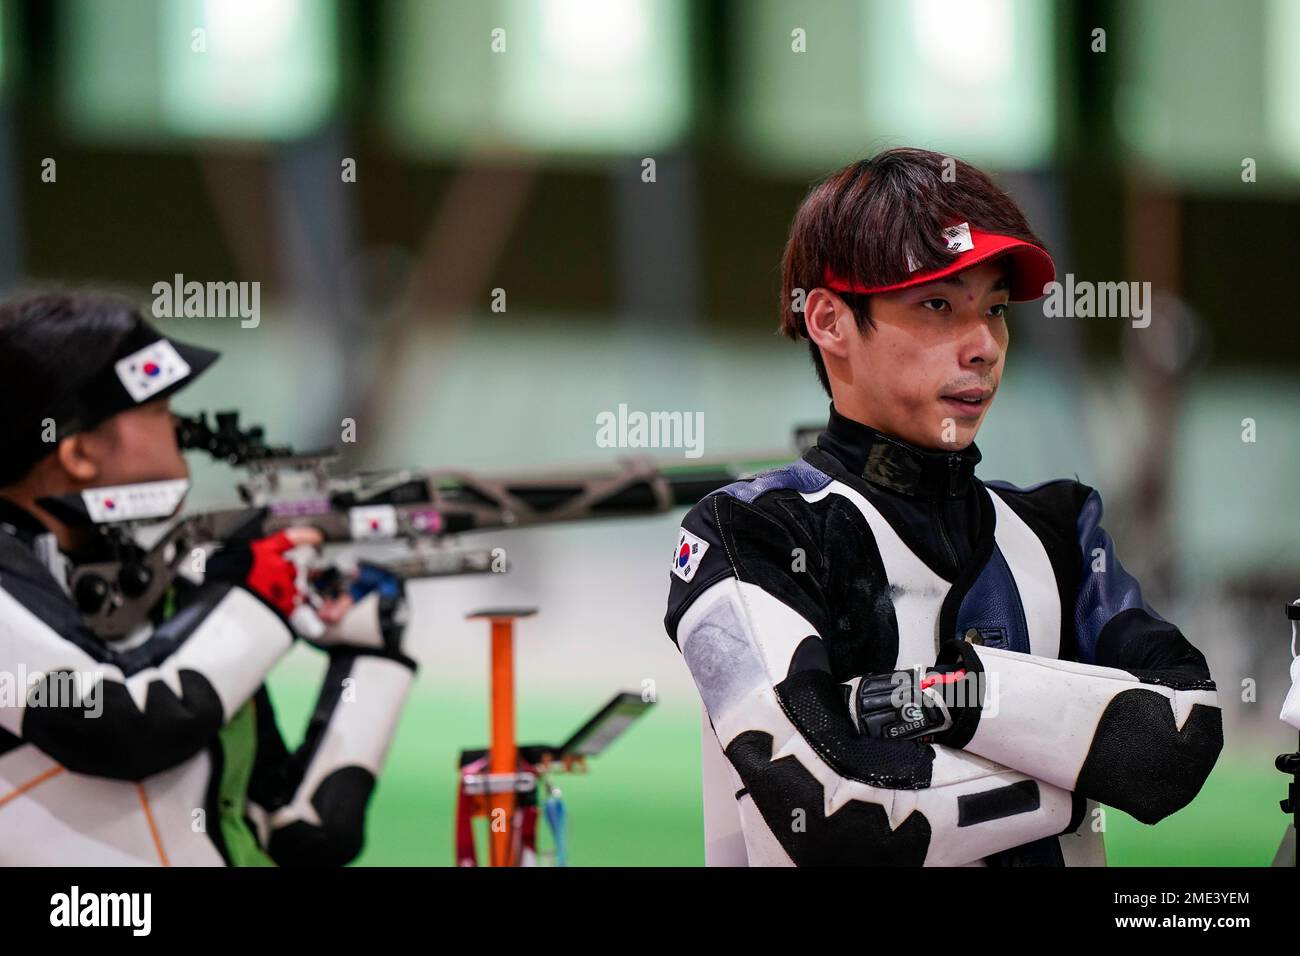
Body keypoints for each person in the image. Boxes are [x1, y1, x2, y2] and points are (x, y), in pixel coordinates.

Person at [663, 148, 1223, 866]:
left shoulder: (1058, 528)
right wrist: (1078, 778)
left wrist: (949, 698)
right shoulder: (748, 534)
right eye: (938, 305)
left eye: (994, 308)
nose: (985, 344)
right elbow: (843, 818)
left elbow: (1180, 741)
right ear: (830, 321)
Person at [0, 290, 416, 865]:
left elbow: (302, 835)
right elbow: (123, 725)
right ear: (78, 455)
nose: (182, 426)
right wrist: (255, 593)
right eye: (157, 408)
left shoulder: (149, 592)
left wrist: (368, 657)